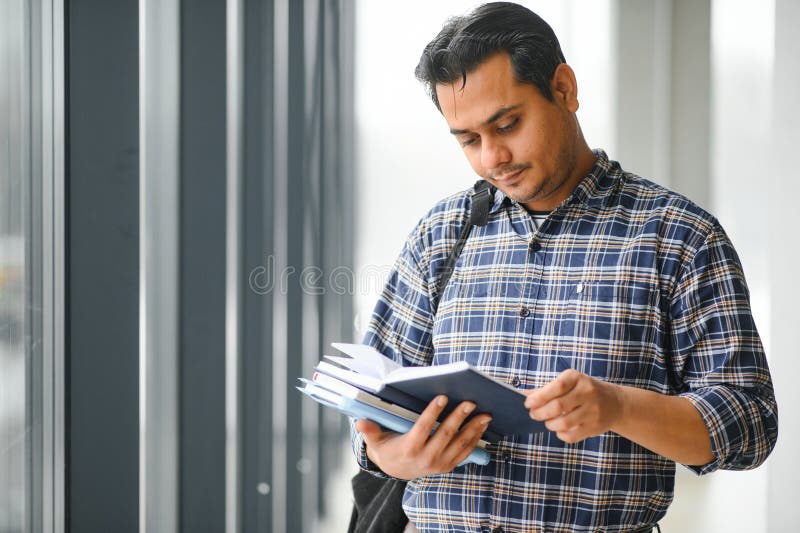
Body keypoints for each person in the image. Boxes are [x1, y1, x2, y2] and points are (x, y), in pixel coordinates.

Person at [350, 2, 778, 532]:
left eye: (507, 124)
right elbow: (373, 411)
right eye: (468, 140)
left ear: (564, 88)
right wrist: (399, 456)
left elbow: (749, 426)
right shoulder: (441, 233)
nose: (492, 158)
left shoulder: (679, 237)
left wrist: (617, 408)